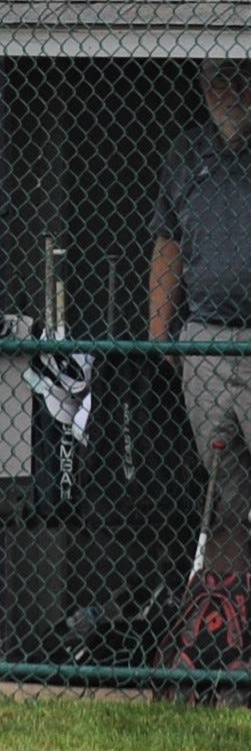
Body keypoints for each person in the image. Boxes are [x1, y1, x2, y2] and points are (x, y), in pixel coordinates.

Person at [150, 58, 251, 579]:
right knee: (224, 494)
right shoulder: (187, 152)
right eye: (216, 77)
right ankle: (228, 622)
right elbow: (167, 242)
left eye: (240, 74)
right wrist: (160, 327)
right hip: (206, 337)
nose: (228, 89)